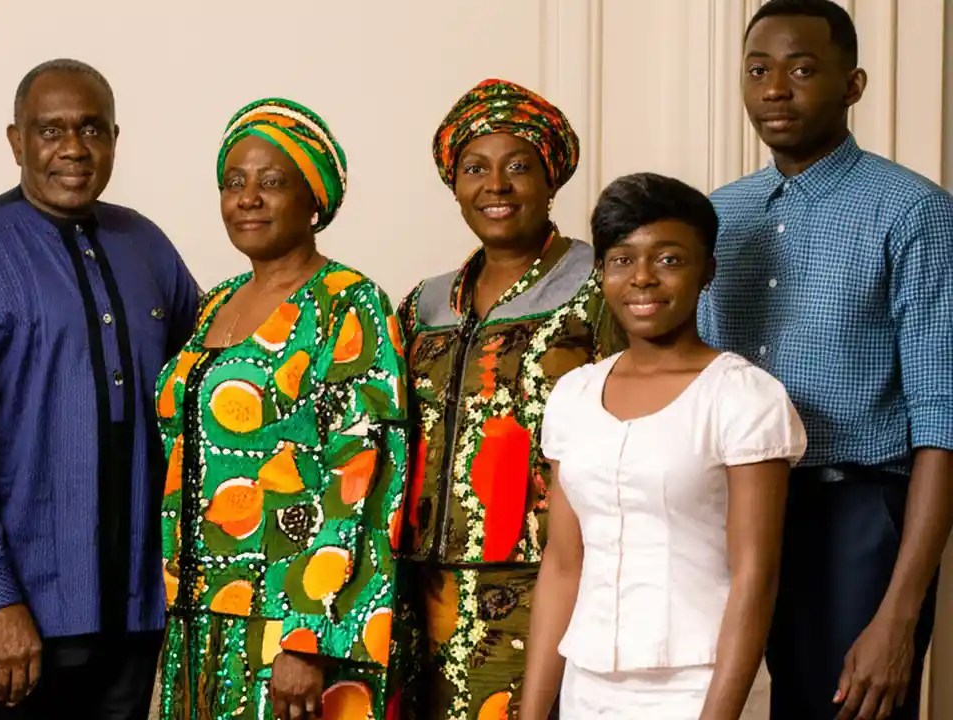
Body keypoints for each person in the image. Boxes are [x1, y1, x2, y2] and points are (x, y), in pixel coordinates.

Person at [0, 58, 199, 718]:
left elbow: (209, 385)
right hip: (15, 616)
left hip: (133, 609)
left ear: (115, 139)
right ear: (16, 141)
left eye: (92, 129)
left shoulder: (147, 246)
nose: (73, 148)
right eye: (51, 130)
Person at [698, 2, 953, 718]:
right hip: (734, 512)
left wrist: (898, 616)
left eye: (803, 69)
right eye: (758, 70)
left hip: (857, 514)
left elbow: (943, 419)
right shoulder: (717, 217)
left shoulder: (914, 213)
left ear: (854, 84)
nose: (776, 88)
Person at [154, 97, 408, 720]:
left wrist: (307, 636)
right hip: (200, 614)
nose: (248, 198)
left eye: (272, 182)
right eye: (234, 183)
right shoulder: (214, 304)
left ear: (313, 199)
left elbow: (363, 479)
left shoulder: (347, 304)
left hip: (289, 617)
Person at [519, 173, 806, 719]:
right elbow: (563, 564)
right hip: (589, 684)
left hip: (703, 684)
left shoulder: (743, 397)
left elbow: (756, 575)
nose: (643, 279)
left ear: (707, 273)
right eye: (622, 260)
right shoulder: (573, 397)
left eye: (669, 259)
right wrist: (534, 713)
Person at [389, 78, 618, 720]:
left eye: (518, 166)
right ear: (454, 183)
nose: (496, 185)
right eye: (475, 169)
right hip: (420, 586)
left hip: (545, 580)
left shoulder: (602, 284)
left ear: (550, 178)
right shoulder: (422, 303)